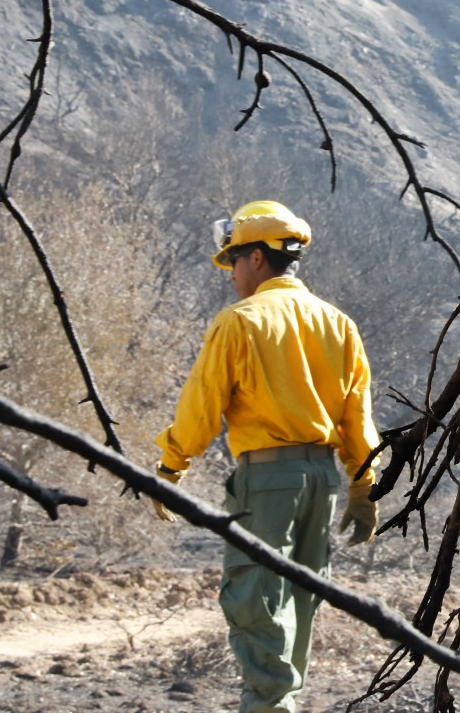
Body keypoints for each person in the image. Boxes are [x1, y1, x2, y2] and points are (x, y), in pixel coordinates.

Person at [153, 200, 381, 713]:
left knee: (256, 602)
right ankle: (284, 702)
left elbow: (201, 404)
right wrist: (364, 488)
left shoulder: (240, 321)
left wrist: (171, 467)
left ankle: (269, 708)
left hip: (268, 481)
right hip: (322, 481)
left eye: (232, 262)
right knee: (300, 602)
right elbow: (358, 418)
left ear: (256, 258)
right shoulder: (338, 323)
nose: (231, 275)